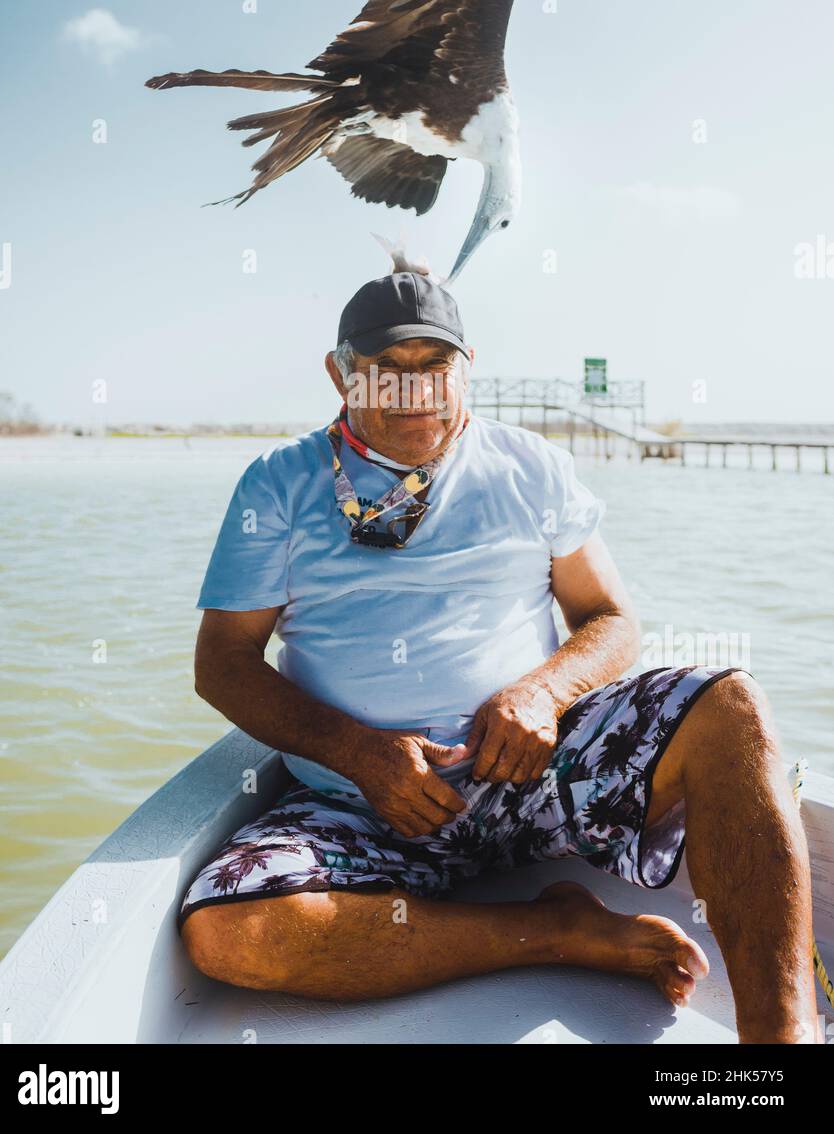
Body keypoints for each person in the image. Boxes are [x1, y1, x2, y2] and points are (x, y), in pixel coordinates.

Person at [178, 270, 819, 1043]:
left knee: (732, 706)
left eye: (434, 367)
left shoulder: (531, 468)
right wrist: (358, 752)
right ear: (340, 372)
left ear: (468, 366)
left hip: (534, 775)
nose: (414, 391)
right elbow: (224, 662)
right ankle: (556, 932)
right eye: (387, 369)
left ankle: (778, 1047)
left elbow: (609, 619)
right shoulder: (278, 484)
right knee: (231, 932)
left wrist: (544, 692)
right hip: (361, 806)